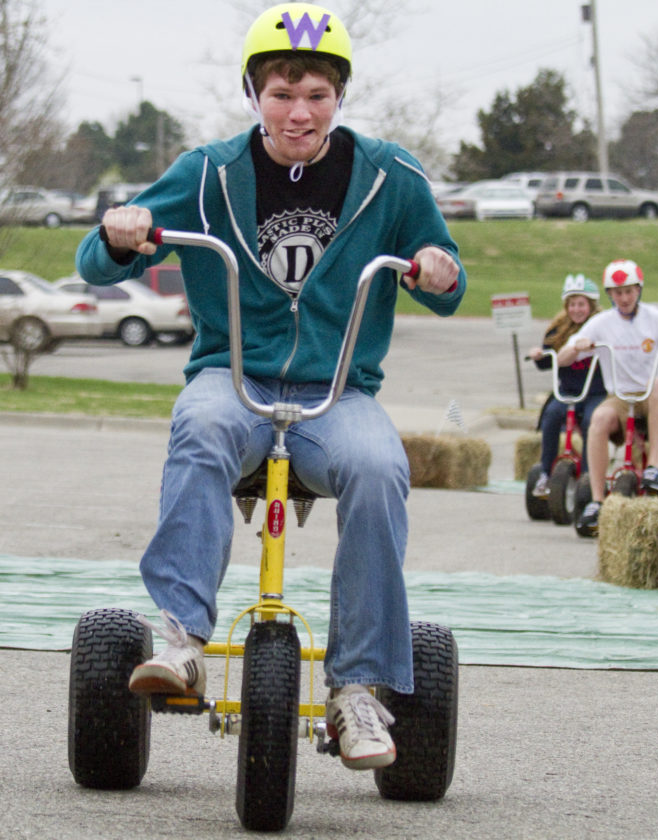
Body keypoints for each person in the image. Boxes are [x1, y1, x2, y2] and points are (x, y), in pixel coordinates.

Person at [75, 3, 465, 772]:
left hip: (337, 395)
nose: (299, 112)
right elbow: (96, 259)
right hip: (234, 377)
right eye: (283, 94)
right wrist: (119, 233)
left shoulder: (390, 176)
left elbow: (444, 277)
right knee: (201, 431)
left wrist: (439, 269)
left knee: (381, 468)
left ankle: (357, 689)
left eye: (316, 95)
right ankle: (183, 639)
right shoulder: (210, 172)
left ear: (338, 98)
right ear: (254, 94)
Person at [555, 259, 658, 535]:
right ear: (609, 295)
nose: (624, 298)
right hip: (622, 398)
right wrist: (576, 347)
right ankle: (597, 500)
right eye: (617, 293)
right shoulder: (600, 323)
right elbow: (564, 357)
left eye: (629, 291)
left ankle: (654, 467)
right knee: (599, 417)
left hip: (657, 397)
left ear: (639, 289)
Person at [527, 274, 606, 497]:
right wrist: (538, 355)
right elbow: (546, 360)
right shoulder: (558, 329)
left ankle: (591, 477)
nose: (576, 309)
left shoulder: (603, 326)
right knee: (551, 415)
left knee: (593, 421)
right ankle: (545, 471)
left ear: (591, 305)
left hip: (595, 392)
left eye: (581, 304)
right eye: (572, 304)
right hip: (568, 391)